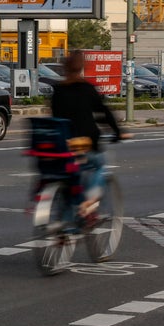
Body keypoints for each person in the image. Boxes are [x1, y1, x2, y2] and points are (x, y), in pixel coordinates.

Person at [49, 48, 126, 215]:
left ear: (65, 68)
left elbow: (55, 116)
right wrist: (117, 131)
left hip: (63, 146)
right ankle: (89, 200)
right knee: (100, 166)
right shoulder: (87, 89)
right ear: (81, 67)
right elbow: (103, 113)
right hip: (86, 144)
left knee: (70, 180)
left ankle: (63, 227)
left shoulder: (58, 91)